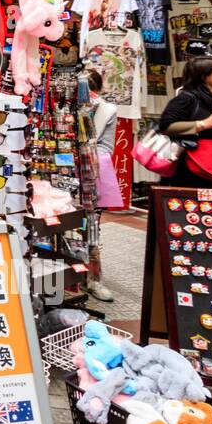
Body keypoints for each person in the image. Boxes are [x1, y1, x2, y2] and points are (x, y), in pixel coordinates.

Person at [156, 57, 212, 188]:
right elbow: (166, 125)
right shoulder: (187, 98)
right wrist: (203, 124)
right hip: (191, 167)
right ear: (204, 77)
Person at [85, 70, 118, 303]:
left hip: (93, 173)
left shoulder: (107, 110)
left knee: (93, 228)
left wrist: (87, 153)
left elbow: (107, 147)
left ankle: (94, 279)